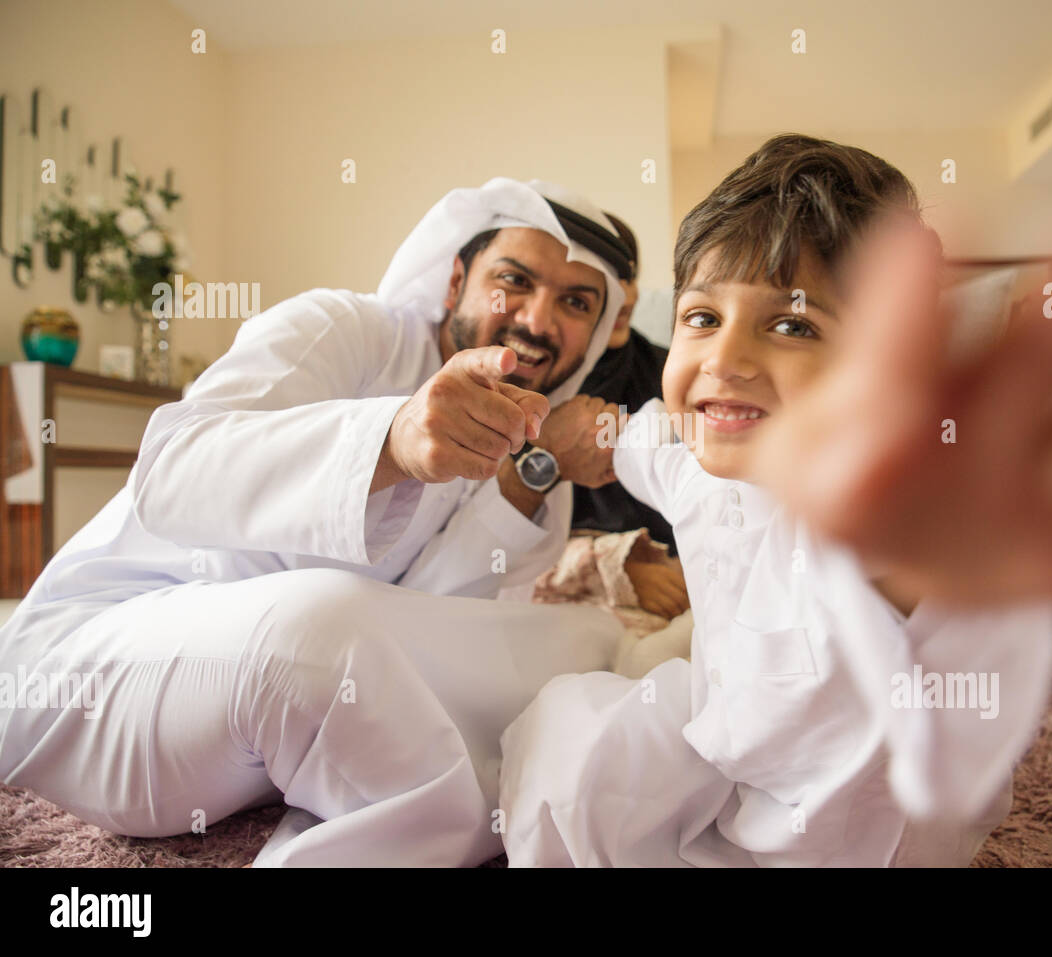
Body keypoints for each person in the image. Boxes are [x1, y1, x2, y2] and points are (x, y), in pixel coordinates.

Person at [497, 134, 1052, 866]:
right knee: (579, 726)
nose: (725, 358)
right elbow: (624, 439)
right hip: (730, 762)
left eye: (795, 327)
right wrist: (568, 435)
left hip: (843, 840)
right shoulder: (691, 455)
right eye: (702, 317)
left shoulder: (878, 523)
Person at [0, 177, 638, 867]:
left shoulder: (533, 433)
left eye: (576, 302)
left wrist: (529, 472)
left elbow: (430, 625)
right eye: (514, 279)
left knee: (587, 637)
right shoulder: (345, 329)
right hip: (90, 677)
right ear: (455, 280)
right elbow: (170, 471)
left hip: (274, 721)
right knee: (322, 629)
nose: (539, 320)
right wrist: (391, 440)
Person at [570, 212, 689, 620]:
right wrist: (617, 564)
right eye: (607, 277)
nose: (626, 295)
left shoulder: (673, 371)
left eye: (631, 277)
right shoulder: (537, 383)